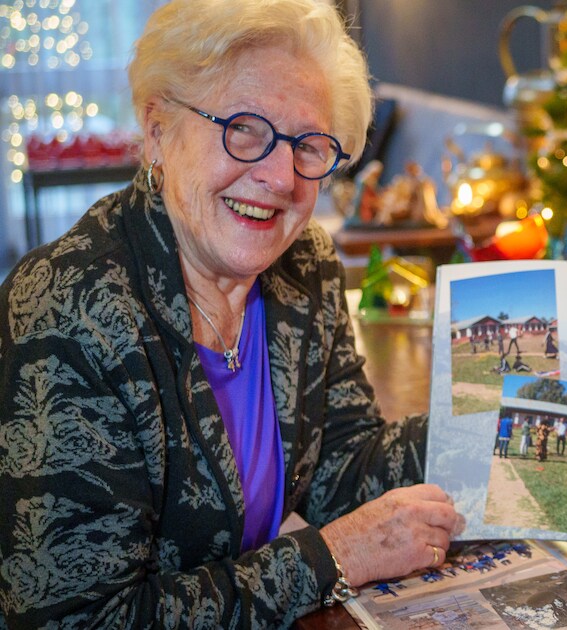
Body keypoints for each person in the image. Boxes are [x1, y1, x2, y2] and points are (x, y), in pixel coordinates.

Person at [0, 2, 467, 626]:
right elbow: (81, 618)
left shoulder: (305, 266)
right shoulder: (67, 307)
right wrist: (332, 557)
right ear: (159, 130)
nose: (280, 177)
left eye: (308, 144)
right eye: (244, 129)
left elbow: (344, 469)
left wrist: (491, 418)